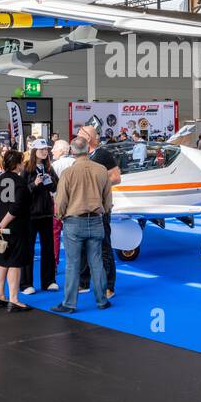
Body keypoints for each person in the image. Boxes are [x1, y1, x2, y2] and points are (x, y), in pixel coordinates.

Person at [52, 138, 112, 313]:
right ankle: (102, 300)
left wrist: (60, 216)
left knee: (72, 264)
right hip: (96, 220)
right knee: (97, 262)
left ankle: (69, 304)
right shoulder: (101, 170)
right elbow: (108, 199)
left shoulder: (68, 173)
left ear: (72, 151)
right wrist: (104, 211)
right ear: (88, 150)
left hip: (74, 222)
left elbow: (61, 200)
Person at [0, 149, 33, 312]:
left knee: (2, 261)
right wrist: (3, 223)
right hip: (17, 228)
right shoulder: (21, 183)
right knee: (15, 263)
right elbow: (17, 207)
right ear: (18, 164)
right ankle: (14, 298)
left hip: (0, 230)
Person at [79, 124, 120, 297]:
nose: (77, 135)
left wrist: (96, 184)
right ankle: (84, 282)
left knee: (104, 246)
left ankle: (109, 285)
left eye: (80, 133)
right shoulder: (82, 155)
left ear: (89, 137)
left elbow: (116, 177)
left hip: (100, 208)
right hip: (83, 207)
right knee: (83, 246)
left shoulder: (102, 154)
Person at [24, 140, 58, 292]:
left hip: (46, 214)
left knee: (48, 249)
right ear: (34, 151)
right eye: (41, 149)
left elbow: (56, 187)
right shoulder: (26, 169)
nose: (45, 152)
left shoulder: (49, 168)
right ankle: (26, 284)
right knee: (28, 249)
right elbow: (21, 192)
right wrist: (34, 184)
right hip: (30, 215)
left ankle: (49, 281)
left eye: (46, 149)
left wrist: (49, 183)